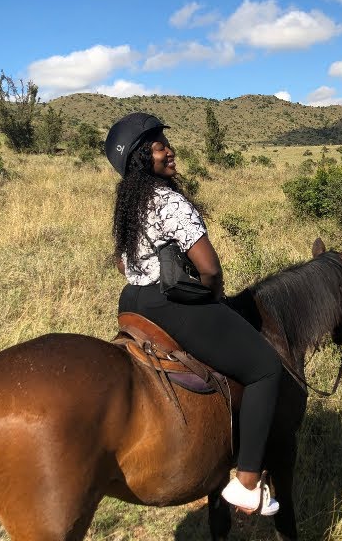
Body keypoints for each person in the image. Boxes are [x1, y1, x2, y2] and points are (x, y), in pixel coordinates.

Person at [106, 112, 282, 515]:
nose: (169, 151)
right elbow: (210, 268)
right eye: (158, 147)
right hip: (167, 305)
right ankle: (249, 483)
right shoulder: (168, 199)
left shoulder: (130, 202)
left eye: (165, 144)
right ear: (140, 159)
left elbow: (122, 263)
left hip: (131, 301)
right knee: (265, 368)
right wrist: (209, 298)